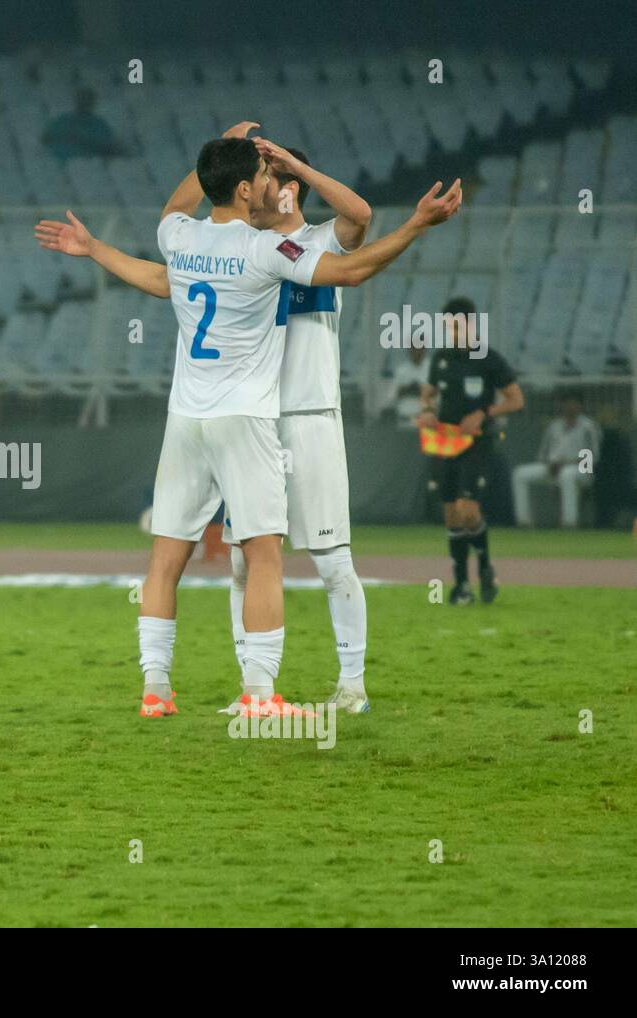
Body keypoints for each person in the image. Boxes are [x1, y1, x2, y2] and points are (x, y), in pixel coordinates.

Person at [39, 128, 461, 718]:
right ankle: (258, 693)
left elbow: (171, 245)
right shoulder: (268, 251)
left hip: (225, 416)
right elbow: (352, 273)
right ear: (246, 187)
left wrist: (101, 245)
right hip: (250, 419)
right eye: (261, 174)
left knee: (196, 555)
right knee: (256, 556)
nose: (270, 182)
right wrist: (415, 227)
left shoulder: (188, 235)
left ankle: (164, 688)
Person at [416, 298, 524, 604]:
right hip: (445, 442)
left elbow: (516, 399)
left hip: (479, 442)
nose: (452, 332)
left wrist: (484, 413)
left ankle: (485, 566)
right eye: (448, 326)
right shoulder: (441, 358)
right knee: (451, 514)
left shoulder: (489, 359)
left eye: (456, 326)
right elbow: (428, 392)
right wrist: (426, 409)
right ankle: (462, 585)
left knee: (468, 510)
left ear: (471, 325)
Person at [512, 393, 600, 527]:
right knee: (519, 473)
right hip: (552, 467)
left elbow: (591, 457)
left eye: (574, 403)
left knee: (567, 474)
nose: (570, 407)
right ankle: (523, 521)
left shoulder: (588, 426)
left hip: (581, 470)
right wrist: (550, 465)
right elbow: (543, 454)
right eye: (567, 403)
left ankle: (569, 522)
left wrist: (564, 464)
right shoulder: (554, 426)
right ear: (561, 405)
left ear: (581, 406)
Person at [42, 87, 125, 160]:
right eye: (81, 99)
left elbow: (108, 147)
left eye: (87, 99)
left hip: (89, 164)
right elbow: (46, 138)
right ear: (76, 101)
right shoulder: (63, 120)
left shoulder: (100, 124)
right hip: (60, 162)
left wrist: (83, 139)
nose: (84, 102)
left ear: (92, 102)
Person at [384, 344, 432, 428]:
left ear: (424, 349)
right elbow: (390, 396)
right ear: (409, 349)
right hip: (404, 420)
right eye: (414, 348)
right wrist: (405, 390)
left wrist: (421, 390)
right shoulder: (401, 371)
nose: (417, 351)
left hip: (426, 422)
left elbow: (439, 396)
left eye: (420, 348)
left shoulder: (431, 369)